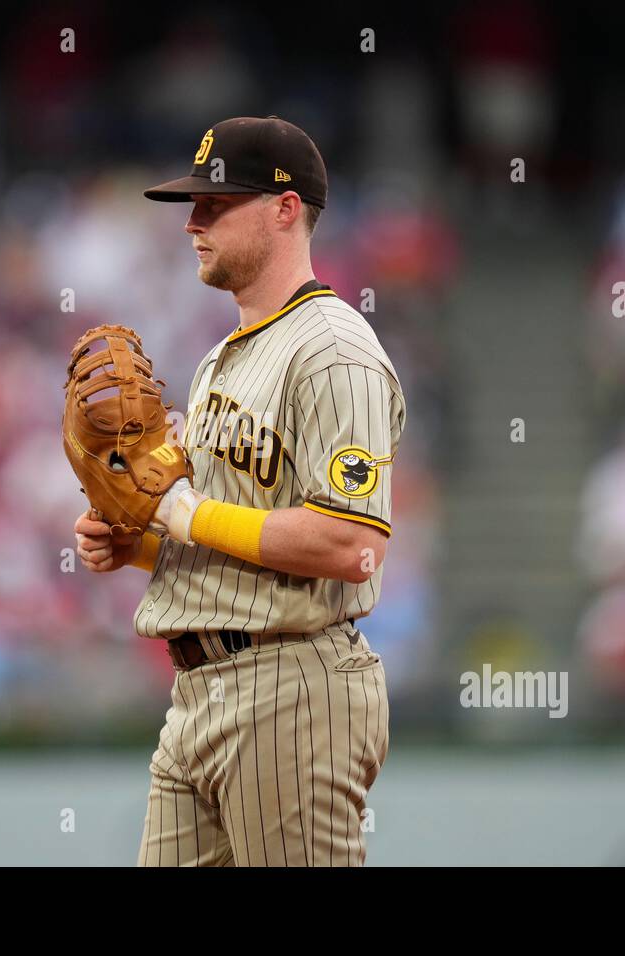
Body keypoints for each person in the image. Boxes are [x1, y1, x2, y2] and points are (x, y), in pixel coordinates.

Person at [73, 116, 407, 866]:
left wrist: (185, 513)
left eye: (216, 203)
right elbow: (226, 534)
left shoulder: (334, 349)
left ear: (285, 208)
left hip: (290, 686)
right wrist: (140, 544)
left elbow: (354, 546)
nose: (193, 220)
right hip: (198, 690)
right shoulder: (224, 358)